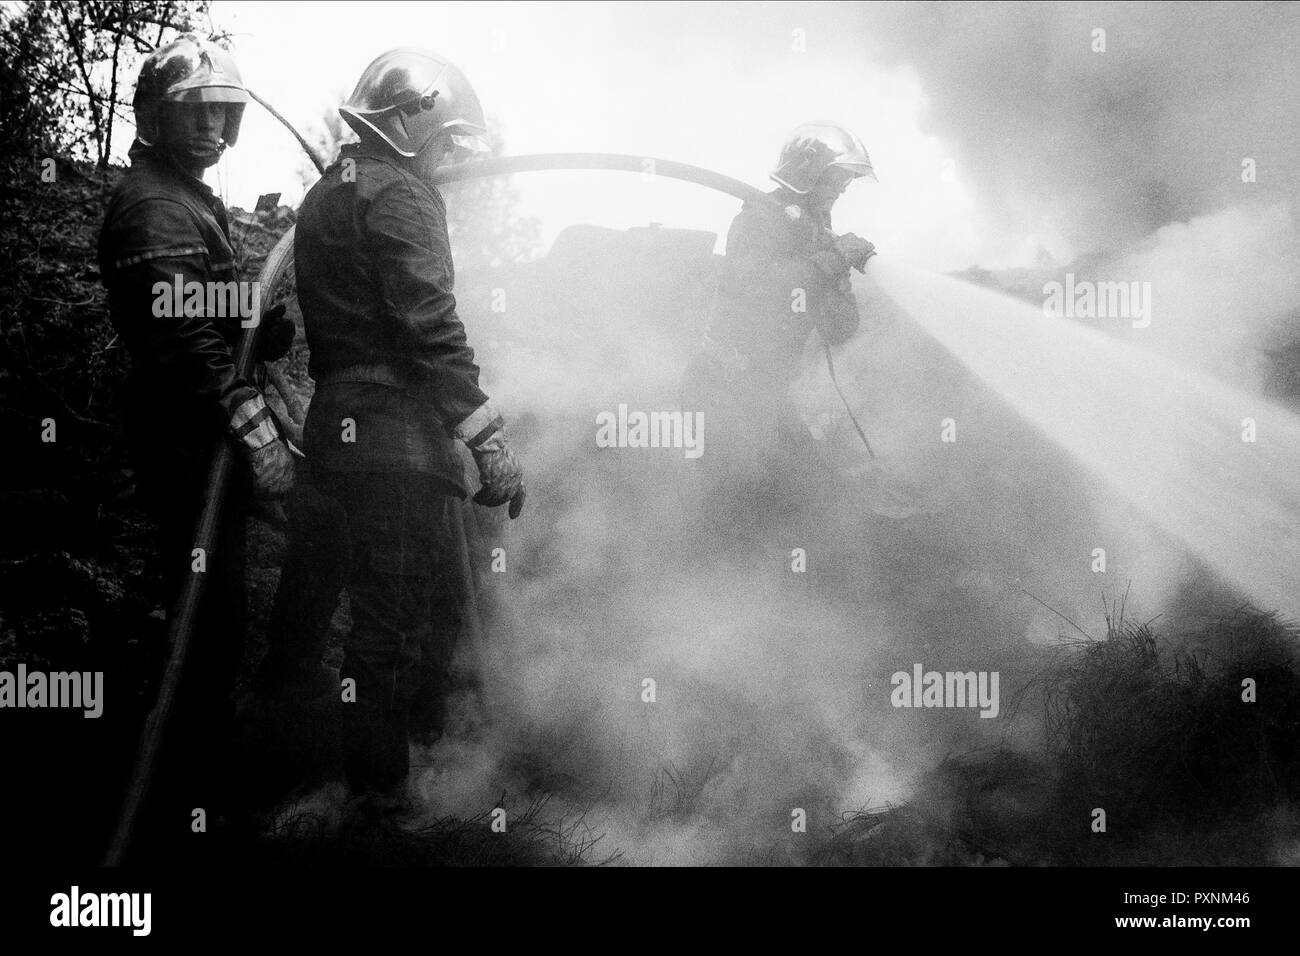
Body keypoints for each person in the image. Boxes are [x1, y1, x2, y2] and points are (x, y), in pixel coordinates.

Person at [255, 48, 525, 808]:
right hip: (397, 445)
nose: (446, 158)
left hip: (332, 434)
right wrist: (488, 439)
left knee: (303, 613)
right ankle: (378, 799)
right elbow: (430, 325)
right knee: (388, 627)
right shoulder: (403, 195)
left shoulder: (323, 196)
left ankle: (284, 766)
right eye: (444, 140)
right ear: (410, 121)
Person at [97, 35, 297, 846]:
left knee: (214, 621)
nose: (217, 126)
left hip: (196, 433)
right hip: (186, 442)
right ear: (158, 115)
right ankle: (169, 805)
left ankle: (195, 796)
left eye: (226, 113)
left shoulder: (187, 195)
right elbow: (180, 339)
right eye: (200, 111)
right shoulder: (153, 203)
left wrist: (259, 323)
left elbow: (205, 304)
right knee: (196, 629)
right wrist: (253, 427)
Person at [680, 121, 877, 547]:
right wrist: (828, 263)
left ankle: (788, 593)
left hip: (765, 393)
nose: (843, 190)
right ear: (810, 171)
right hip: (723, 390)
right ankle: (720, 598)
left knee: (813, 500)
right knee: (736, 515)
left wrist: (839, 273)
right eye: (839, 178)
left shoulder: (816, 236)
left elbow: (842, 329)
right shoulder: (757, 220)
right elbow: (759, 293)